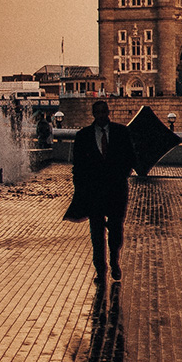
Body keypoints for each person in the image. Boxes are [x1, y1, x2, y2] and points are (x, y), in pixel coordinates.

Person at [67, 100, 136, 284]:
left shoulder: (121, 132)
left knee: (116, 229)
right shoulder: (83, 136)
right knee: (96, 233)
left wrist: (122, 174)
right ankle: (100, 269)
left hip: (116, 191)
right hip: (94, 192)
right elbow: (78, 165)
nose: (101, 115)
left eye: (103, 112)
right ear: (93, 114)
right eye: (97, 112)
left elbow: (130, 157)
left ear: (108, 112)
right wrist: (80, 187)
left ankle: (114, 260)